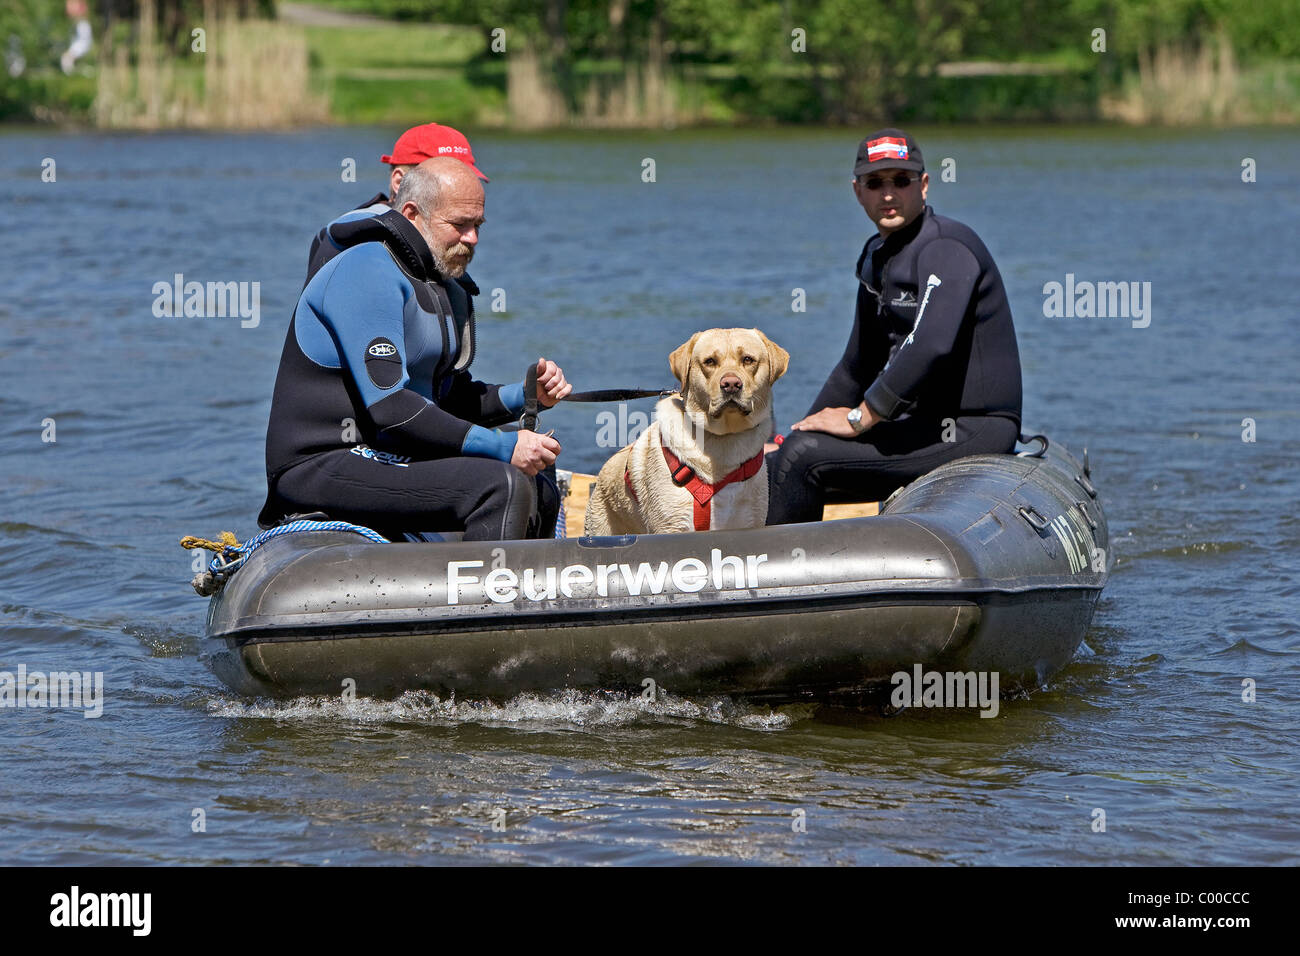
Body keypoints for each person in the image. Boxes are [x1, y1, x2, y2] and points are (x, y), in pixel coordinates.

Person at [258, 157, 571, 542]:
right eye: (459, 225)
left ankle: (529, 597)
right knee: (501, 485)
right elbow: (391, 409)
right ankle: (485, 601)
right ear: (412, 213)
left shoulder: (438, 281)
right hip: (320, 463)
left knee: (537, 481)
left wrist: (524, 396)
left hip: (390, 452)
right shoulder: (367, 270)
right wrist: (503, 446)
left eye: (478, 226)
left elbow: (442, 397)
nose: (472, 238)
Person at [766, 128, 1022, 525]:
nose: (888, 194)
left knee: (802, 460)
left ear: (923, 185)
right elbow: (858, 364)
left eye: (901, 180)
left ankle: (779, 580)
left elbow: (930, 343)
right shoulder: (876, 257)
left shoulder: (947, 247)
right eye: (875, 182)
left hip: (973, 429)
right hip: (913, 426)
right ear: (857, 191)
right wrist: (795, 433)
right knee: (792, 452)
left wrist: (861, 417)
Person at [305, 123, 488, 284]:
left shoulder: (438, 248)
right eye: (445, 175)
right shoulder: (359, 241)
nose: (461, 185)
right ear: (399, 182)